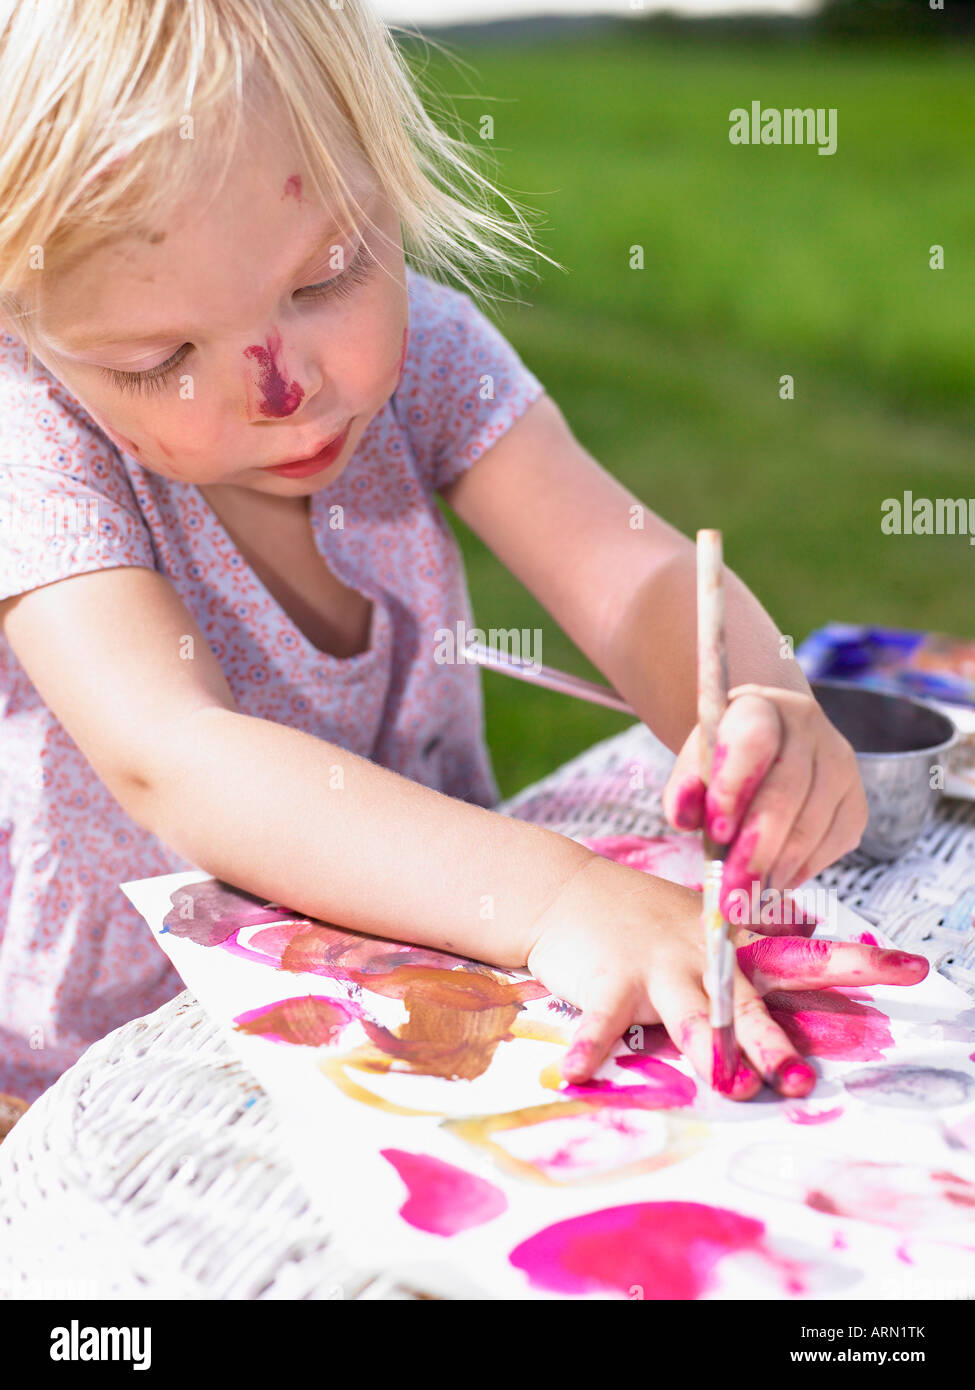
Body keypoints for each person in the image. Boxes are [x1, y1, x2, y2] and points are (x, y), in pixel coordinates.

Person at [0, 0, 924, 1107]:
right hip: (113, 1079)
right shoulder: (34, 441)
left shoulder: (432, 354)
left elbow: (628, 576)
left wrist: (753, 703)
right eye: (159, 357)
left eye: (328, 274)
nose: (282, 389)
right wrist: (552, 899)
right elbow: (181, 755)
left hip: (433, 1013)